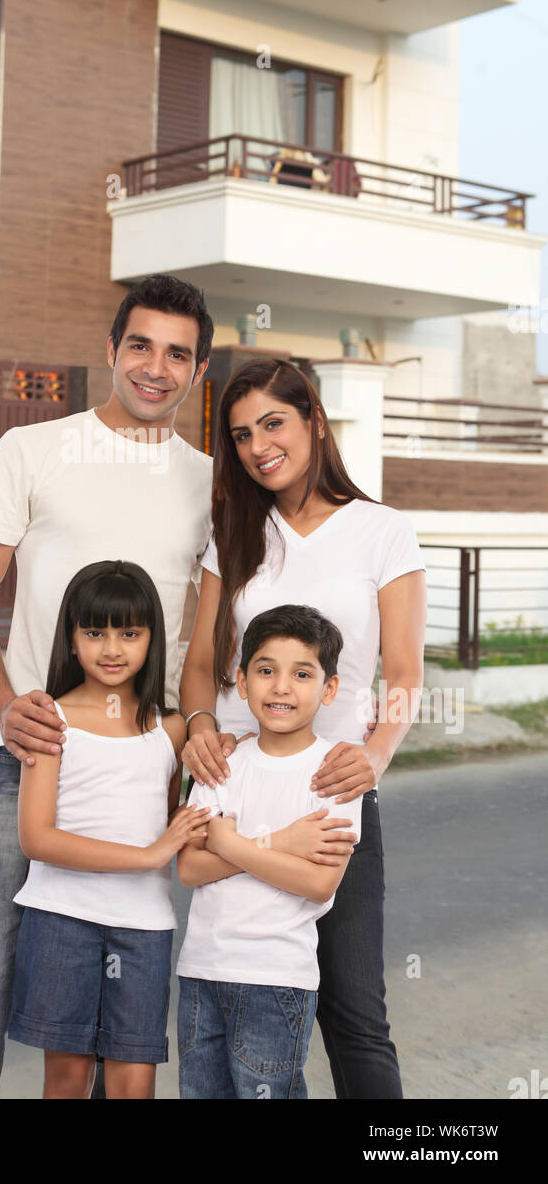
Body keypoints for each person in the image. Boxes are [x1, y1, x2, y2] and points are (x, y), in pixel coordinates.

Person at [0, 274, 214, 1099]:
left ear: (196, 372)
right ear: (111, 351)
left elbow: (212, 628)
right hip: (35, 756)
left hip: (141, 769)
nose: (156, 367)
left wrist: (197, 727)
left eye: (177, 354)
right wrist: (4, 706)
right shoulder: (32, 448)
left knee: (116, 1003)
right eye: (141, 345)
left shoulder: (207, 482)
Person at [180, 358, 426, 1099]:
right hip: (236, 790)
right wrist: (197, 726)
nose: (258, 447)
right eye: (242, 434)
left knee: (353, 1012)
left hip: (331, 795)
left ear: (314, 420)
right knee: (232, 994)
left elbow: (407, 675)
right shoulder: (236, 533)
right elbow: (199, 664)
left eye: (273, 424)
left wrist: (374, 758)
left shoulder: (383, 531)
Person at [8, 560, 209, 1099]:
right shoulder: (50, 719)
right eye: (94, 632)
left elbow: (169, 822)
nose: (112, 648)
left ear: (151, 639)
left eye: (130, 632)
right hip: (61, 922)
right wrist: (147, 856)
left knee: (133, 1087)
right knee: (68, 1081)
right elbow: (37, 839)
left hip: (143, 929)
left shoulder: (169, 729)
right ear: (72, 640)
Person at [177, 604, 361, 1099]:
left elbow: (318, 882)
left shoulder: (336, 772)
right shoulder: (222, 762)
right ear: (241, 681)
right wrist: (281, 843)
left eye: (302, 674)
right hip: (202, 970)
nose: (281, 687)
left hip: (276, 976)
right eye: (265, 670)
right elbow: (191, 867)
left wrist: (228, 841)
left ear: (329, 689)